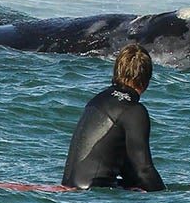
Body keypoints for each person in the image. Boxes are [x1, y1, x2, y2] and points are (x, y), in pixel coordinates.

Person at [61, 43, 165, 191]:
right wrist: (168, 197)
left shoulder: (98, 99)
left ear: (116, 71)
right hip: (93, 195)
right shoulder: (133, 110)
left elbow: (128, 169)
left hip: (71, 189)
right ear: (147, 79)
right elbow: (144, 171)